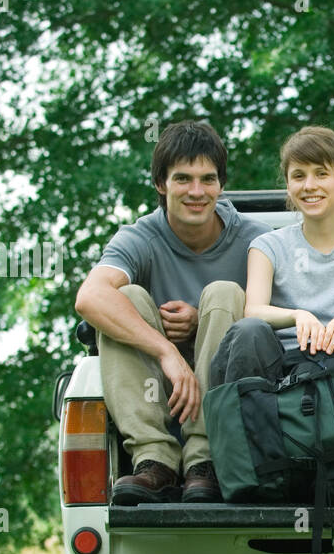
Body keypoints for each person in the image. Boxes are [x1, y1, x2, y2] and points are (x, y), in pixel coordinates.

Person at [75, 120, 269, 505]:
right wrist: (167, 351)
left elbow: (293, 315)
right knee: (124, 294)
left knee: (225, 293)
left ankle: (205, 462)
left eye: (207, 179)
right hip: (157, 392)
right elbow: (90, 297)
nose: (196, 192)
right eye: (183, 179)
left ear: (220, 185)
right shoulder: (140, 236)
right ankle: (155, 461)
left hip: (231, 403)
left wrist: (201, 321)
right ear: (161, 185)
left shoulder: (257, 239)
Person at [210, 126, 334, 385]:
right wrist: (297, 315)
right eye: (299, 176)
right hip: (285, 371)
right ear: (288, 185)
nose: (310, 186)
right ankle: (244, 418)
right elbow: (254, 310)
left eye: (321, 174)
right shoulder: (266, 245)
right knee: (249, 330)